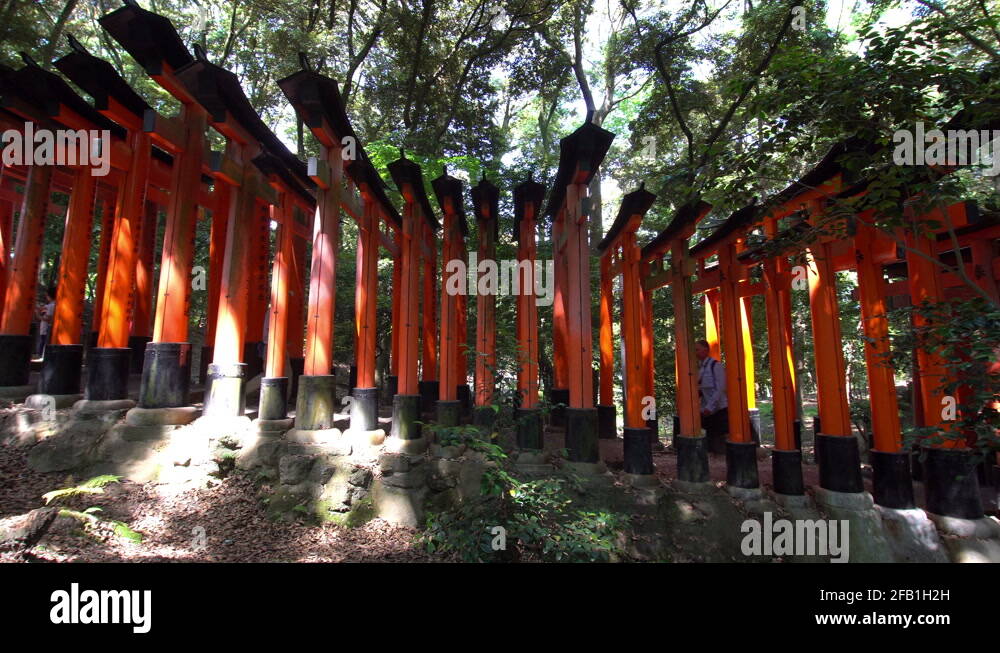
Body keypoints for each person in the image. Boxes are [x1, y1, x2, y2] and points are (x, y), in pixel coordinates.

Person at [695, 338, 728, 454]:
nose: (696, 352)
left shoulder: (716, 366)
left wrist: (710, 406)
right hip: (707, 409)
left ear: (706, 350)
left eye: (698, 349)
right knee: (708, 436)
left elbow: (720, 389)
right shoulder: (701, 368)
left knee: (719, 437)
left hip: (718, 408)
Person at [35, 287, 56, 359]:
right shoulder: (53, 305)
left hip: (46, 328)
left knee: (43, 342)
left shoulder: (51, 306)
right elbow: (42, 308)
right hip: (46, 329)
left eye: (47, 296)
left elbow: (48, 319)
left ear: (49, 296)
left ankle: (40, 356)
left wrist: (38, 315)